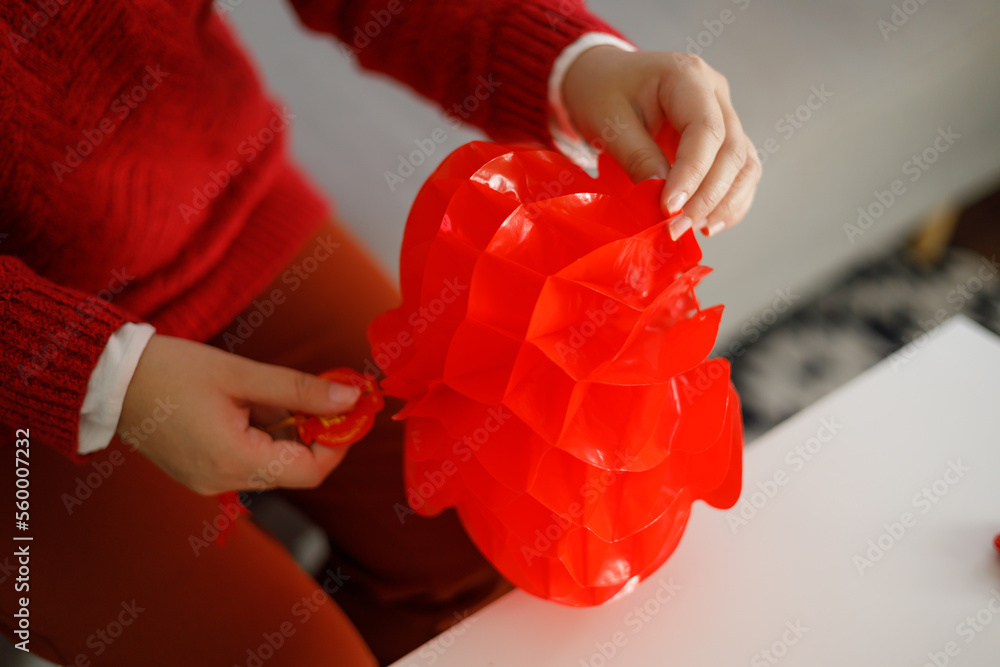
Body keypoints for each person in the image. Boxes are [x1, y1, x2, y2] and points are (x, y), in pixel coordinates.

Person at [0, 1, 760, 664]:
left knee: (484, 553)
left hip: (228, 222)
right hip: (20, 383)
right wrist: (103, 375)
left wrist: (576, 63)